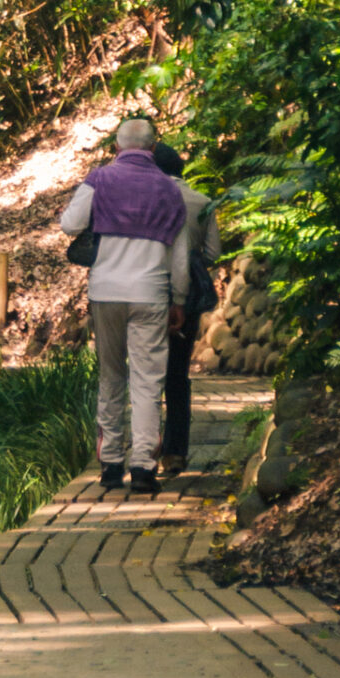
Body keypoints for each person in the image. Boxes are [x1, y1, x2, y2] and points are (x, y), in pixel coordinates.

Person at [59, 117, 191, 498]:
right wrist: (178, 300)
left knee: (111, 375)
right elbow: (179, 256)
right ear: (153, 149)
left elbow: (70, 225)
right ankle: (144, 469)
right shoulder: (170, 190)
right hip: (151, 293)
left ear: (116, 149)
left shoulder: (99, 180)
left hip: (106, 291)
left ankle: (111, 464)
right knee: (148, 381)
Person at [152, 141, 222, 476]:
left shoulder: (144, 201)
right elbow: (212, 254)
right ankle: (175, 453)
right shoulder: (203, 202)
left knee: (147, 372)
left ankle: (146, 448)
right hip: (188, 296)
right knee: (177, 375)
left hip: (147, 290)